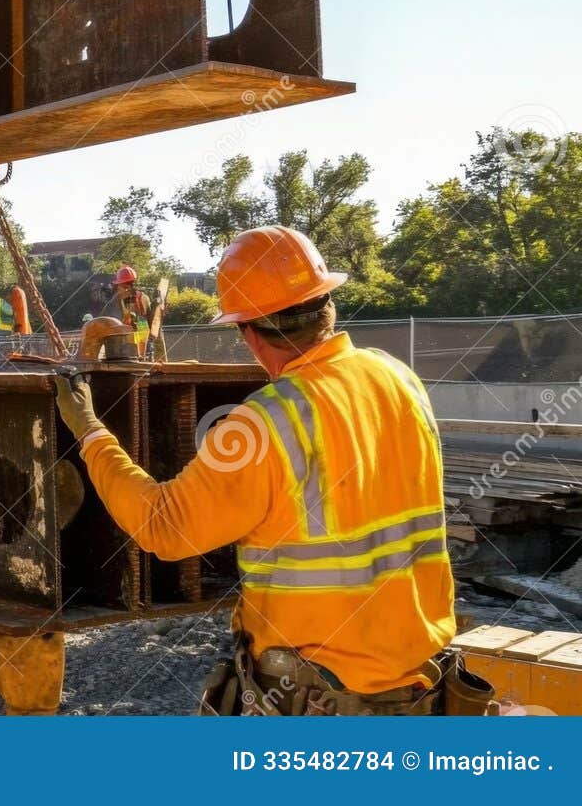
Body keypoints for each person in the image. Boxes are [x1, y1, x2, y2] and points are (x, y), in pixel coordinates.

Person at [51, 226, 487, 716]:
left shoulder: (268, 420)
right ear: (329, 305)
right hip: (422, 691)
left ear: (249, 333)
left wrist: (89, 430)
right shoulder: (398, 377)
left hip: (323, 706)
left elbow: (164, 526)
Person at [103, 264, 153, 357]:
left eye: (120, 286)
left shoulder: (142, 299)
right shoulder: (116, 301)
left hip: (130, 348)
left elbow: (144, 324)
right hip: (127, 346)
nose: (119, 290)